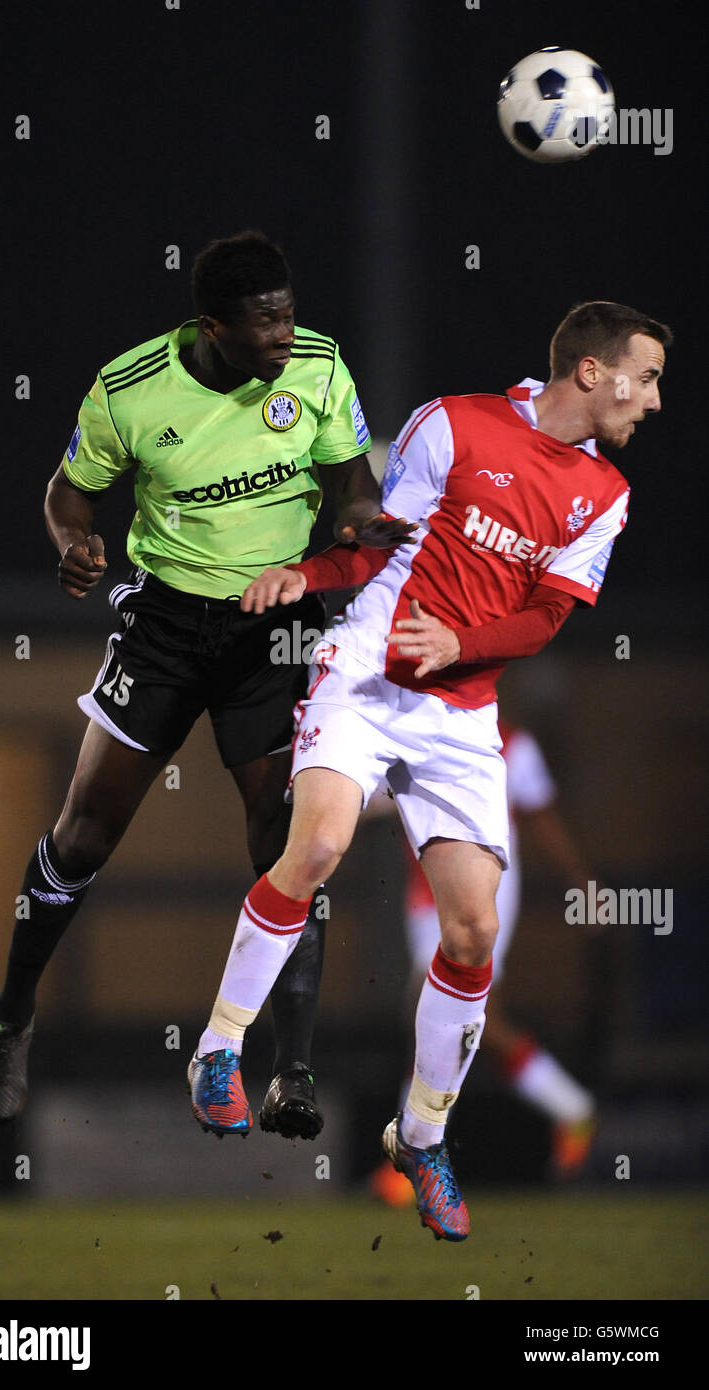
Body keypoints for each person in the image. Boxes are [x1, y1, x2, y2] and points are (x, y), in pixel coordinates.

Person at [185, 300, 670, 1241]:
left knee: (475, 931)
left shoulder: (603, 495)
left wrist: (461, 642)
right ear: (590, 372)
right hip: (366, 673)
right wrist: (306, 578)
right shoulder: (456, 424)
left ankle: (421, 1136)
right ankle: (216, 1050)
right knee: (319, 842)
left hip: (461, 711)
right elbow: (373, 541)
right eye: (643, 378)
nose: (652, 400)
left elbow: (545, 617)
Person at [0, 230, 412, 1133]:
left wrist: (366, 520)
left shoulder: (320, 370)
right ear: (213, 326)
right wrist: (74, 546)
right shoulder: (131, 390)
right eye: (265, 322)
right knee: (85, 832)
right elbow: (68, 493)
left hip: (277, 625)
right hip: (169, 624)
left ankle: (291, 1069)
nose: (286, 333)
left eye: (289, 313)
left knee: (287, 840)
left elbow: (350, 485)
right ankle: (12, 1016)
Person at [369, 717, 599, 1207]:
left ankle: (413, 1158)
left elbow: (541, 819)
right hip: (425, 895)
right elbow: (375, 797)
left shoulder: (513, 743)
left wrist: (580, 880)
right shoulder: (411, 735)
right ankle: (569, 1108)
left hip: (487, 891)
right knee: (459, 1021)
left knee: (438, 1012)